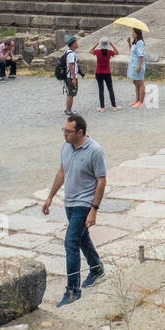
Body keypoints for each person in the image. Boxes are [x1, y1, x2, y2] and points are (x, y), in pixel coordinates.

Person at [43, 114, 107, 305]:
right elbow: (62, 171)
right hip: (69, 202)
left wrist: (94, 209)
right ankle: (96, 269)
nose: (64, 134)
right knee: (81, 238)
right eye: (63, 130)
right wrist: (50, 196)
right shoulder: (65, 147)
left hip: (84, 203)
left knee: (70, 243)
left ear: (80, 132)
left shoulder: (95, 150)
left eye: (68, 131)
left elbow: (101, 180)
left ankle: (73, 290)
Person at [91, 37, 121, 111]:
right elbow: (117, 52)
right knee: (110, 89)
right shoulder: (109, 52)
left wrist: (97, 44)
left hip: (98, 73)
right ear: (107, 45)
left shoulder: (97, 52)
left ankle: (102, 107)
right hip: (107, 73)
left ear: (100, 45)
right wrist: (112, 44)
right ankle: (114, 106)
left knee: (101, 90)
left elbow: (90, 51)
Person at [127, 28, 146, 106]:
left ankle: (141, 102)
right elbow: (132, 52)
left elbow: (141, 55)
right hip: (133, 64)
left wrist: (139, 66)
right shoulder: (135, 42)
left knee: (140, 83)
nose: (132, 33)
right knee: (135, 82)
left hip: (138, 64)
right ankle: (137, 100)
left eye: (134, 32)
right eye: (132, 32)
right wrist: (129, 43)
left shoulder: (140, 42)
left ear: (138, 33)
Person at [63, 36, 80, 115]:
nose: (77, 43)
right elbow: (71, 65)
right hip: (71, 77)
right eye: (76, 42)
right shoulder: (71, 54)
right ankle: (69, 111)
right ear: (73, 44)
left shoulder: (67, 51)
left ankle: (67, 109)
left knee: (69, 93)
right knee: (71, 94)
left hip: (68, 76)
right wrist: (74, 78)